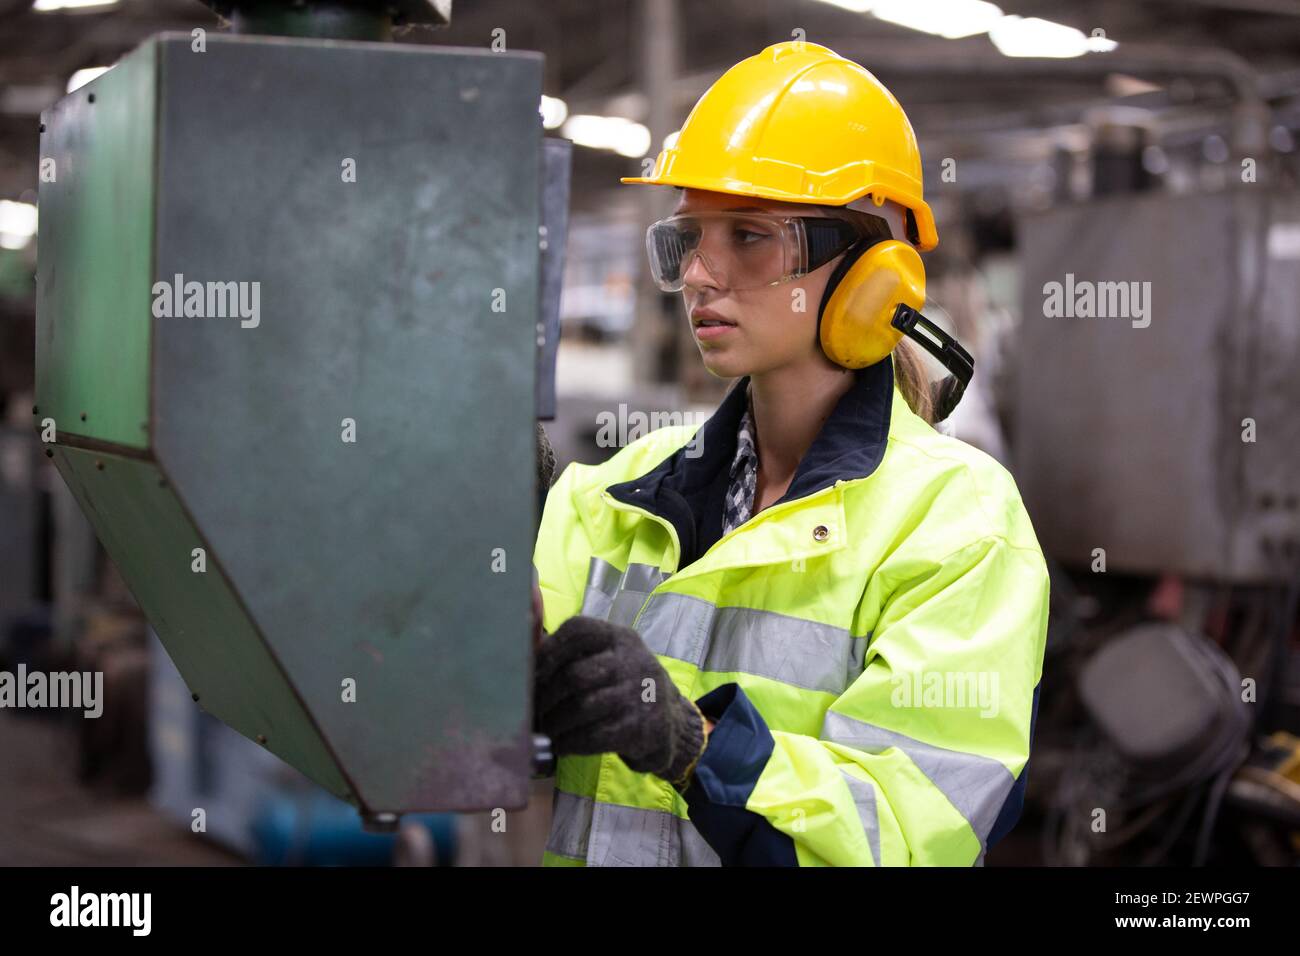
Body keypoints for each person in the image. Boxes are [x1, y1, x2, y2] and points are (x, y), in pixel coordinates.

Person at [531, 40, 1049, 867]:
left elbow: (911, 831)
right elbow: (488, 684)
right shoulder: (624, 488)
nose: (701, 273)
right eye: (690, 238)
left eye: (748, 237)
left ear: (875, 275)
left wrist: (696, 746)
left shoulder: (959, 525)